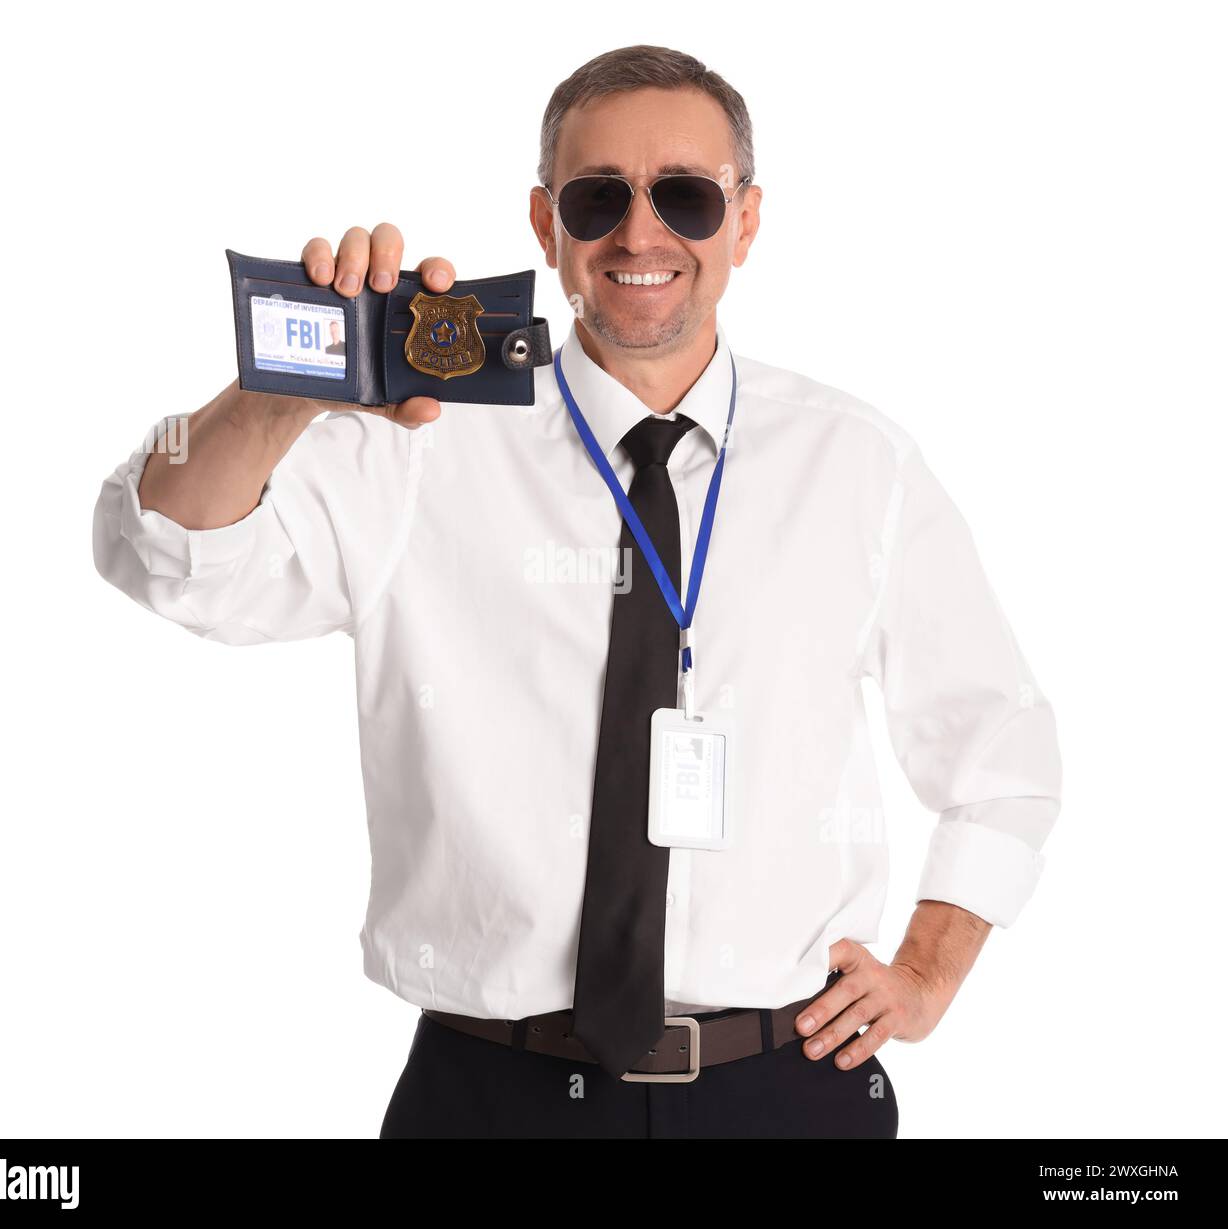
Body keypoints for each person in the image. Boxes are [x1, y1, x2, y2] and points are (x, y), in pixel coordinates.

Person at [92, 44, 1063, 1139]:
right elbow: (159, 552)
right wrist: (283, 392)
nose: (641, 234)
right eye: (599, 197)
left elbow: (1002, 748)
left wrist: (928, 971)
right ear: (545, 224)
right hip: (491, 1093)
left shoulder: (857, 464)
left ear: (743, 224)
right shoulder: (417, 438)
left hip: (787, 1089)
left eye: (686, 197)